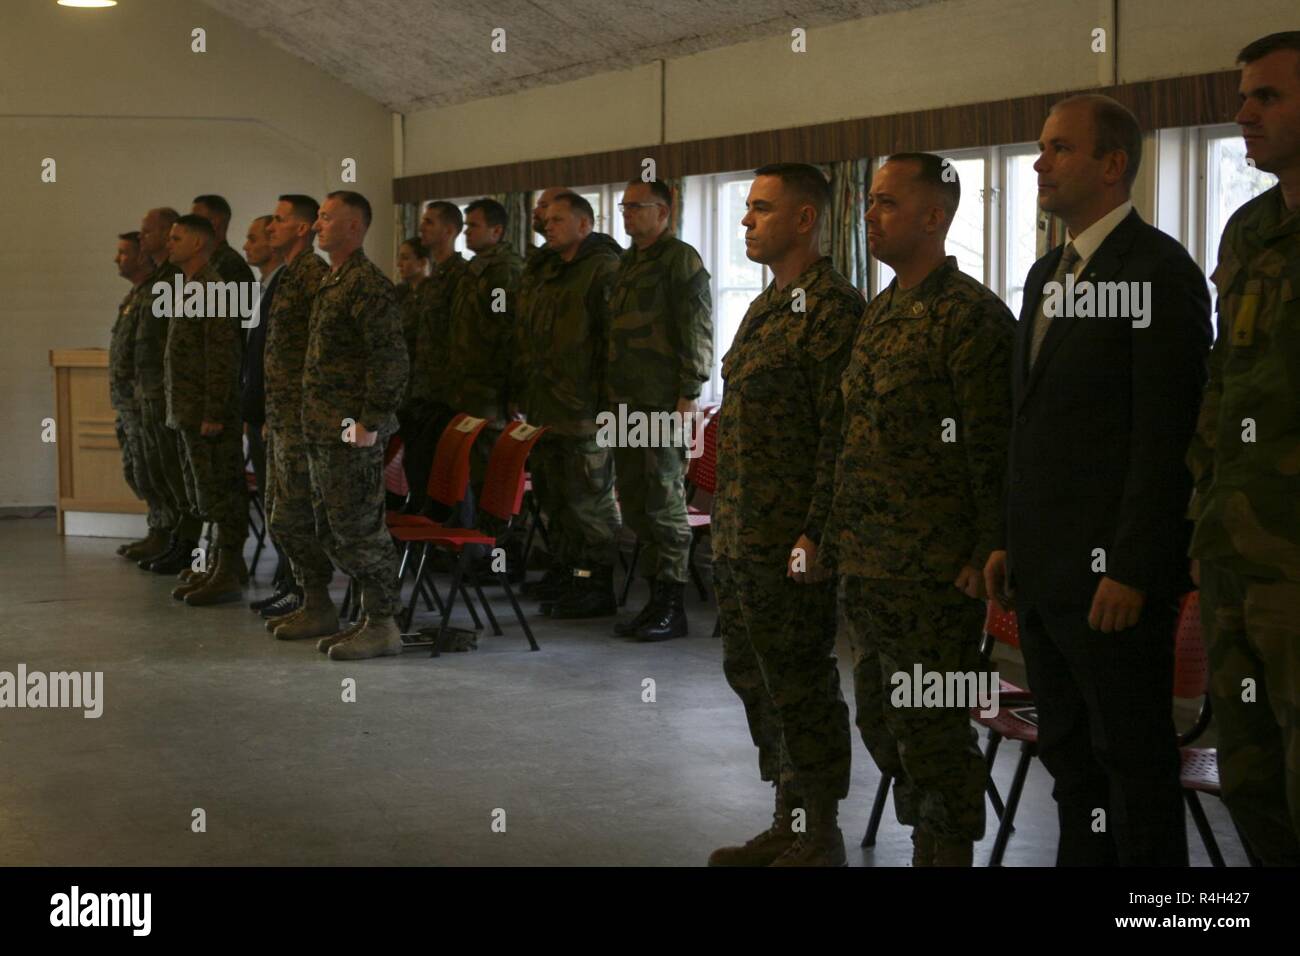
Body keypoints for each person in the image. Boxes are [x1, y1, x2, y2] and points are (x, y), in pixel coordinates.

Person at [984, 93, 1212, 866]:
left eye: (1059, 149)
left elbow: (1165, 439)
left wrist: (1135, 566)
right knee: (1071, 763)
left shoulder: (1158, 271)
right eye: (1040, 147)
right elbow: (1030, 426)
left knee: (1133, 768)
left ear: (1112, 165)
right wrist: (1005, 541)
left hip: (1114, 584)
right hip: (1044, 574)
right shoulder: (1049, 271)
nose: (1040, 163)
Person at [823, 154, 1014, 866]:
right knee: (882, 719)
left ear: (935, 217)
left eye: (887, 204)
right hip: (871, 564)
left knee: (933, 726)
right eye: (868, 203)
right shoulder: (881, 311)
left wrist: (983, 550)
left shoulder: (972, 319)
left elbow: (995, 449)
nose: (870, 216)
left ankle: (945, 849)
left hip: (937, 574)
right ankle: (927, 832)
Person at [708, 164, 861, 867]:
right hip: (742, 532)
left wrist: (816, 534)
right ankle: (787, 815)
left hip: (791, 538)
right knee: (755, 673)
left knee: (800, 680)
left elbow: (841, 436)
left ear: (804, 219)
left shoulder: (834, 309)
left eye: (761, 210)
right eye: (745, 210)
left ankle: (819, 830)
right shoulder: (768, 305)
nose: (746, 222)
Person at [1187, 31, 1300, 866]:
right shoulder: (1250, 227)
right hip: (1235, 551)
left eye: (1268, 97)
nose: (1245, 113)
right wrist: (1202, 499)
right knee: (1248, 773)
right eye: (1244, 96)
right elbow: (1221, 380)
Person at [302, 191, 409, 660]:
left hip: (352, 433)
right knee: (336, 528)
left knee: (363, 530)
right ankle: (367, 619)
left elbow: (390, 360)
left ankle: (384, 624)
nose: (316, 226)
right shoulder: (335, 280)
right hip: (326, 431)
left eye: (326, 219)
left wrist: (369, 422)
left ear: (353, 228)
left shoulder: (366, 283)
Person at [606, 179, 713, 641]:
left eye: (637, 207)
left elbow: (697, 327)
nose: (627, 214)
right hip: (624, 402)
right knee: (633, 501)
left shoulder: (680, 259)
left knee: (664, 502)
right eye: (624, 206)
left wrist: (689, 393)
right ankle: (653, 599)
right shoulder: (627, 262)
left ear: (664, 212)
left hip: (662, 402)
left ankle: (673, 605)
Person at [512, 192, 623, 618]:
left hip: (584, 411)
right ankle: (567, 573)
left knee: (587, 503)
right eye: (546, 218)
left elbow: (614, 344)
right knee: (554, 497)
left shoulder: (603, 269)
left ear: (584, 225)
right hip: (545, 406)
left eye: (559, 219)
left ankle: (595, 586)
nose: (548, 224)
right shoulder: (548, 270)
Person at [163, 214, 249, 606]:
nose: (170, 244)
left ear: (198, 244)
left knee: (221, 492)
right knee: (205, 493)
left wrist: (214, 410)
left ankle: (227, 571)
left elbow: (222, 356)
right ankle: (215, 565)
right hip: (189, 411)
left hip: (207, 415)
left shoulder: (212, 289)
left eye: (177, 238)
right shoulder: (193, 287)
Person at [261, 194, 337, 634]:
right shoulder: (289, 275)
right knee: (281, 514)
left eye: (280, 219)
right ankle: (311, 599)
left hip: (304, 420)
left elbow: (319, 354)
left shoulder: (313, 276)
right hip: (283, 418)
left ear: (303, 228)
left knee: (294, 515)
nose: (272, 226)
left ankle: (319, 602)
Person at [132, 207, 199, 575]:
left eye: (150, 232)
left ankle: (186, 542)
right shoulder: (162, 277)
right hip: (157, 392)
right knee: (162, 471)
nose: (143, 238)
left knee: (180, 474)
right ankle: (172, 535)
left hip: (173, 394)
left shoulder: (184, 280)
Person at [449, 198, 524, 493]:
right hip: (468, 387)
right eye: (466, 226)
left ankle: (494, 535)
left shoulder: (503, 272)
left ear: (496, 231)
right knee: (469, 468)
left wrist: (510, 389)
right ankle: (472, 533)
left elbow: (505, 329)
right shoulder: (476, 269)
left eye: (473, 226)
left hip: (491, 389)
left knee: (489, 471)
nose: (467, 232)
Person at [398, 202, 469, 511]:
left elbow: (462, 337)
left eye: (429, 222)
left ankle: (451, 552)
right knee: (419, 475)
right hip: (420, 394)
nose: (422, 227)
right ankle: (426, 550)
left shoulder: (461, 277)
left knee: (445, 482)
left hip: (445, 396)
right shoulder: (431, 283)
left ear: (449, 230)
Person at [240, 215, 291, 610]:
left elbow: (284, 359)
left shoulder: (287, 283)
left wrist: (271, 411)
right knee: (276, 504)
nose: (249, 243)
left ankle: (295, 585)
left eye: (255, 237)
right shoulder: (263, 286)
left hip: (278, 416)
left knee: (286, 505)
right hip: (259, 413)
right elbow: (254, 356)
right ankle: (287, 581)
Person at [110, 231, 167, 560]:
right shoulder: (135, 295)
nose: (117, 259)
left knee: (152, 469)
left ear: (142, 257)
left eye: (123, 253)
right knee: (138, 469)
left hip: (146, 400)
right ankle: (156, 529)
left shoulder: (155, 294)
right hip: (129, 402)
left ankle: (165, 534)